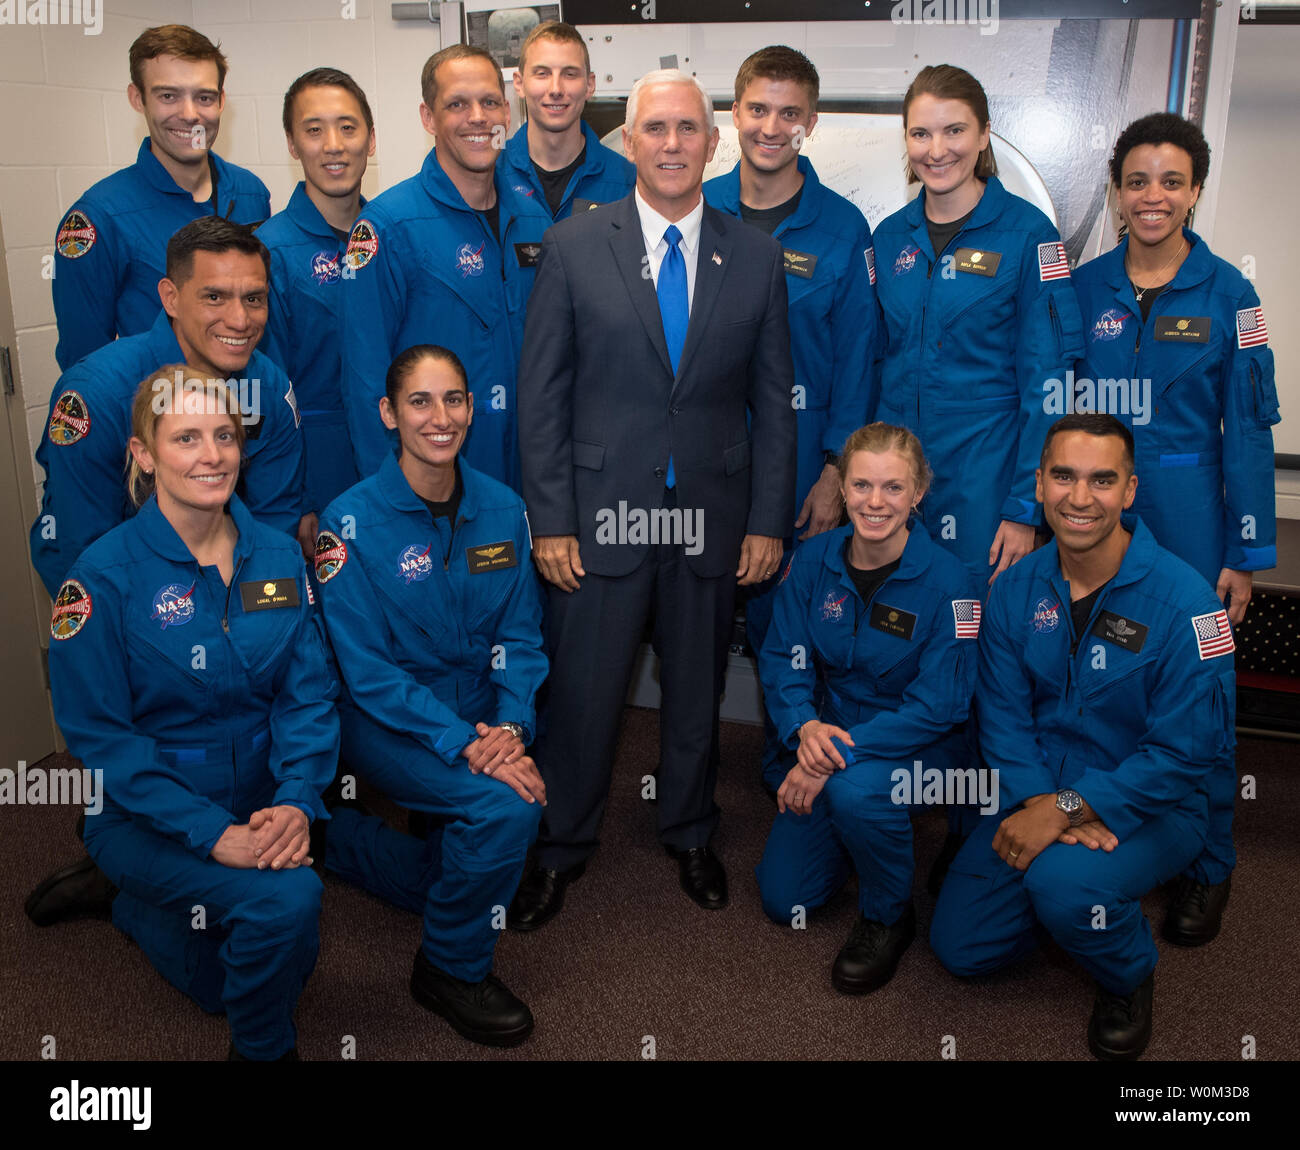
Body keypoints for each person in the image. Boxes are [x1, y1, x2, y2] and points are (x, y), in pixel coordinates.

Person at [510, 69, 796, 929]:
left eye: (688, 130)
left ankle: (689, 831)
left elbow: (774, 401)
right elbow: (542, 397)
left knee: (696, 692)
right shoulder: (572, 246)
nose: (672, 145)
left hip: (710, 516)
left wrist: (767, 522)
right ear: (627, 142)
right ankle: (561, 844)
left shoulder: (754, 255)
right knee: (585, 694)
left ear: (713, 144)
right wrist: (551, 518)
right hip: (599, 518)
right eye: (654, 129)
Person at [38, 368, 338, 1061]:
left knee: (284, 965)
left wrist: (296, 801)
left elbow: (308, 694)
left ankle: (148, 907)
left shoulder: (276, 558)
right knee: (282, 912)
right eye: (186, 438)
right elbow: (105, 743)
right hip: (149, 819)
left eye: (225, 435)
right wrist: (213, 835)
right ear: (143, 454)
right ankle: (260, 1047)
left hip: (264, 807)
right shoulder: (100, 579)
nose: (212, 455)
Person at [930, 414, 1236, 1061]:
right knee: (961, 949)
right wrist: (1043, 805)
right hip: (1036, 789)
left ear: (1129, 491)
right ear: (1039, 484)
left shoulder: (1189, 603)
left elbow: (1185, 755)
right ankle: (1072, 901)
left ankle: (1128, 971)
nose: (1079, 497)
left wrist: (1070, 809)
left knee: (1065, 887)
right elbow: (1004, 720)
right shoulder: (1014, 589)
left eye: (1102, 480)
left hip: (1157, 804)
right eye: (1063, 476)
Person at [871, 63, 1085, 882]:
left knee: (982, 652)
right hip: (899, 491)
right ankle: (902, 810)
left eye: (954, 130)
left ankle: (973, 832)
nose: (937, 149)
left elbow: (1051, 381)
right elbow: (878, 363)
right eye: (922, 132)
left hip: (987, 481)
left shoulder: (1030, 237)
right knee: (910, 642)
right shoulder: (886, 238)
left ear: (984, 135)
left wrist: (1025, 503)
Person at [1072, 113, 1281, 945]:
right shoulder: (1081, 289)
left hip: (1193, 518)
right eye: (1136, 181)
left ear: (1194, 190)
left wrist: (1247, 552)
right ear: (1117, 193)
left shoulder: (1235, 295)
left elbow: (1251, 430)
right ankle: (1120, 833)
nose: (1151, 197)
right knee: (1104, 678)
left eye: (1170, 181)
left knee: (1202, 693)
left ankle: (1209, 863)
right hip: (1091, 517)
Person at [314, 345, 547, 1046]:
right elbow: (369, 674)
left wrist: (511, 725)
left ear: (472, 410)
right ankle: (448, 967)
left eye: (453, 400)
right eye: (420, 401)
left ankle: (338, 840)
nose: (439, 417)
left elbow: (522, 638)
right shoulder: (346, 523)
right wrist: (469, 744)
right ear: (389, 413)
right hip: (386, 718)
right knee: (508, 808)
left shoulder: (503, 508)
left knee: (457, 868)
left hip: (480, 712)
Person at [704, 44, 880, 789]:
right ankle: (688, 779)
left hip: (804, 468)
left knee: (793, 633)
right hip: (702, 465)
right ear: (734, 114)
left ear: (809, 122)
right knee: (694, 633)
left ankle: (793, 773)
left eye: (788, 113)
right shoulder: (694, 205)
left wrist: (837, 470)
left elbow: (858, 360)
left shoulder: (844, 230)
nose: (771, 127)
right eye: (757, 109)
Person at [756, 423, 979, 993]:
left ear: (919, 493)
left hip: (925, 746)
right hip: (829, 732)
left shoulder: (956, 585)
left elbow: (940, 707)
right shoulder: (813, 560)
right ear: (843, 488)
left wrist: (827, 756)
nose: (875, 503)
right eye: (861, 486)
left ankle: (887, 914)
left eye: (893, 488)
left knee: (856, 792)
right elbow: (784, 657)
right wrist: (804, 726)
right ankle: (863, 834)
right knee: (786, 900)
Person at [30, 216, 306, 600]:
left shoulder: (268, 388)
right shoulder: (98, 395)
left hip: (228, 577)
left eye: (253, 299)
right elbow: (85, 548)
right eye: (215, 297)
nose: (240, 320)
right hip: (117, 590)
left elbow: (275, 522)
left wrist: (249, 622)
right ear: (171, 298)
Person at [339, 44, 552, 489]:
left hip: (530, 479)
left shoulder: (535, 217)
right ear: (428, 117)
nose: (478, 117)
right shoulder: (387, 226)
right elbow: (365, 379)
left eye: (490, 102)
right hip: (436, 484)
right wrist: (391, 499)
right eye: (457, 104)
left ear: (508, 113)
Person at [52, 24, 270, 371]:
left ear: (222, 100)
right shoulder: (99, 218)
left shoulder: (250, 192)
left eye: (204, 97)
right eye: (168, 96)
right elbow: (86, 363)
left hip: (245, 409)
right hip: (159, 413)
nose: (190, 114)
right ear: (137, 99)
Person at [258, 68, 377, 553]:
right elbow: (265, 392)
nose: (333, 145)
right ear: (292, 144)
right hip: (315, 476)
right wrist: (298, 499)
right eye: (314, 129)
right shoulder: (269, 253)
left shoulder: (391, 233)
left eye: (348, 127)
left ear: (371, 140)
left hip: (397, 464)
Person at [502, 20, 634, 219]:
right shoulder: (493, 175)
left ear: (590, 85)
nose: (556, 89)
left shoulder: (628, 181)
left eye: (569, 74)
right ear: (519, 84)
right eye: (542, 74)